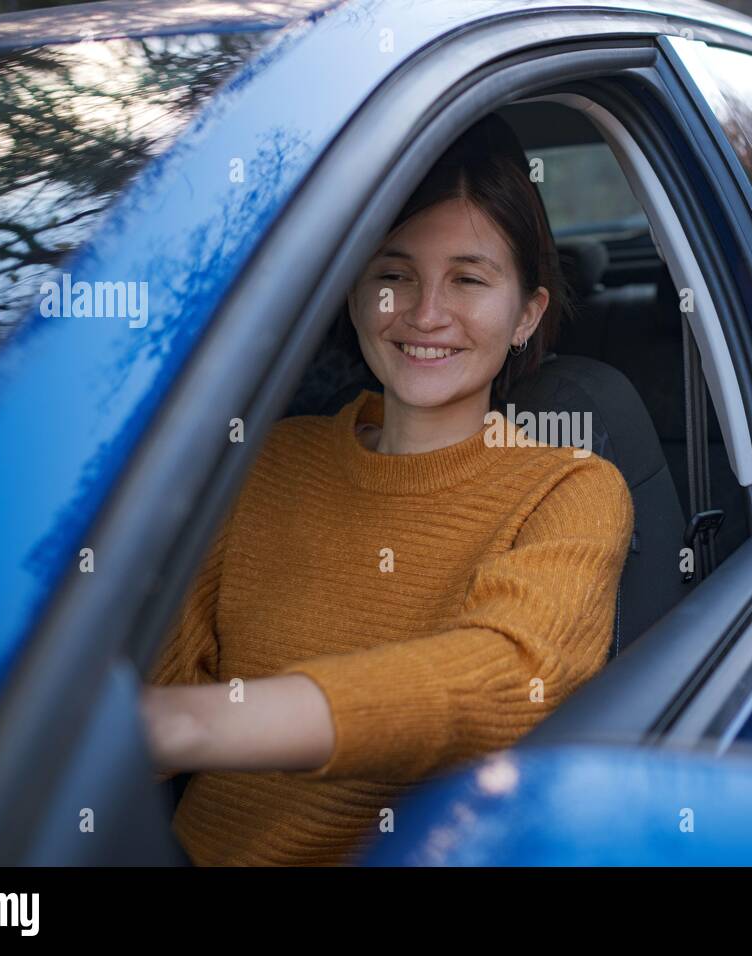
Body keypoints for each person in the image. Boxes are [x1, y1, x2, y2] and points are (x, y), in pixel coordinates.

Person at [140, 113, 635, 865]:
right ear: (353, 293)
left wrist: (193, 722)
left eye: (468, 279)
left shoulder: (571, 491)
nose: (425, 313)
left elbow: (508, 677)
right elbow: (152, 696)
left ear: (528, 314)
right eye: (393, 275)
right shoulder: (268, 459)